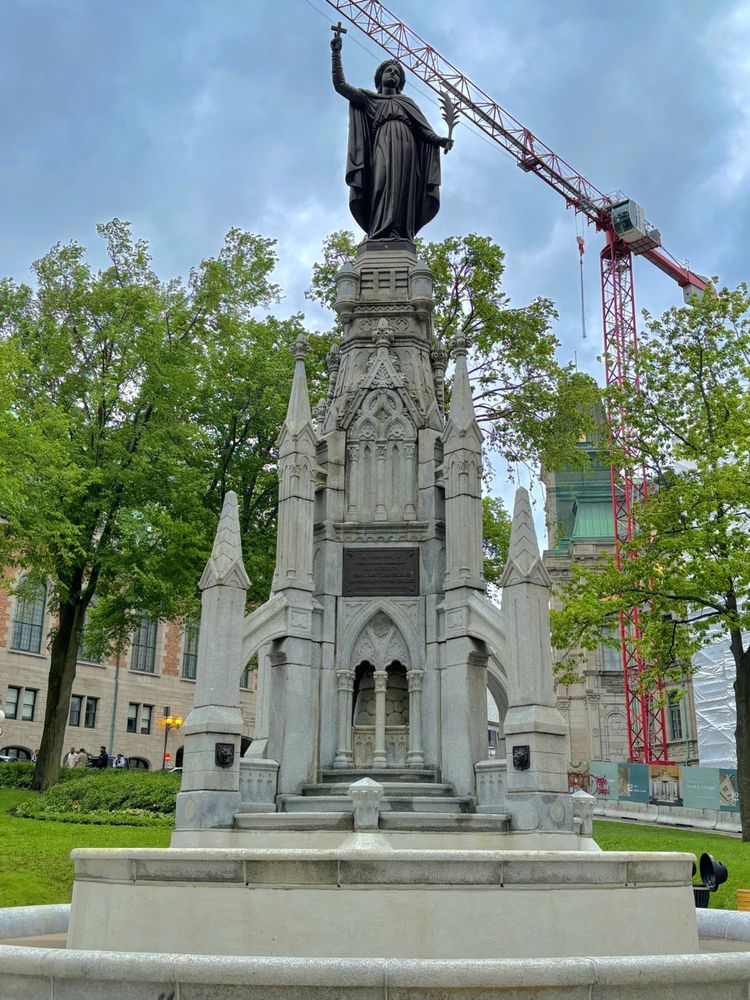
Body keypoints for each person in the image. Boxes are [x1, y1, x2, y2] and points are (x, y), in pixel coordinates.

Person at [331, 33, 453, 242]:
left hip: (406, 149)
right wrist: (336, 54)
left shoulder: (407, 103)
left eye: (397, 73)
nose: (393, 74)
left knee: (402, 189)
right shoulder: (370, 99)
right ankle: (378, 229)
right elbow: (341, 86)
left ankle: (399, 231)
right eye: (389, 71)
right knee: (381, 183)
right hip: (381, 144)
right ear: (380, 77)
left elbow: (423, 130)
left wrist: (439, 140)